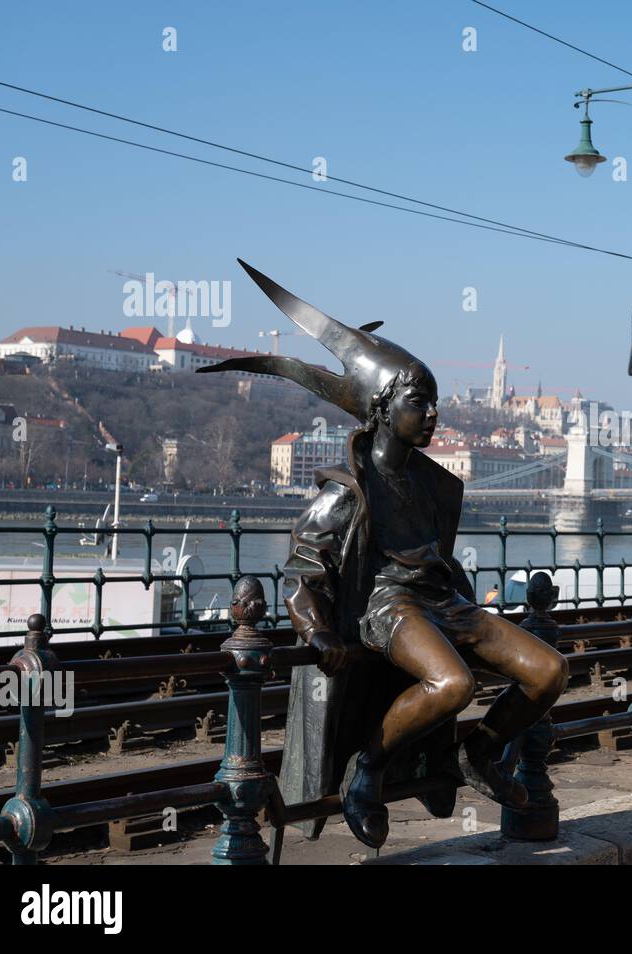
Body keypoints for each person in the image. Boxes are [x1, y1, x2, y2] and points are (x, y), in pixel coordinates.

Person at [199, 260, 568, 849]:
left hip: (441, 601)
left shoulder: (430, 485)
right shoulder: (348, 490)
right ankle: (365, 768)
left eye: (433, 402)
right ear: (383, 410)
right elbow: (303, 573)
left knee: (550, 669)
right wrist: (317, 633)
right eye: (420, 403)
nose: (433, 414)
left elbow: (439, 557)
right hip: (388, 608)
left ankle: (479, 753)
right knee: (453, 685)